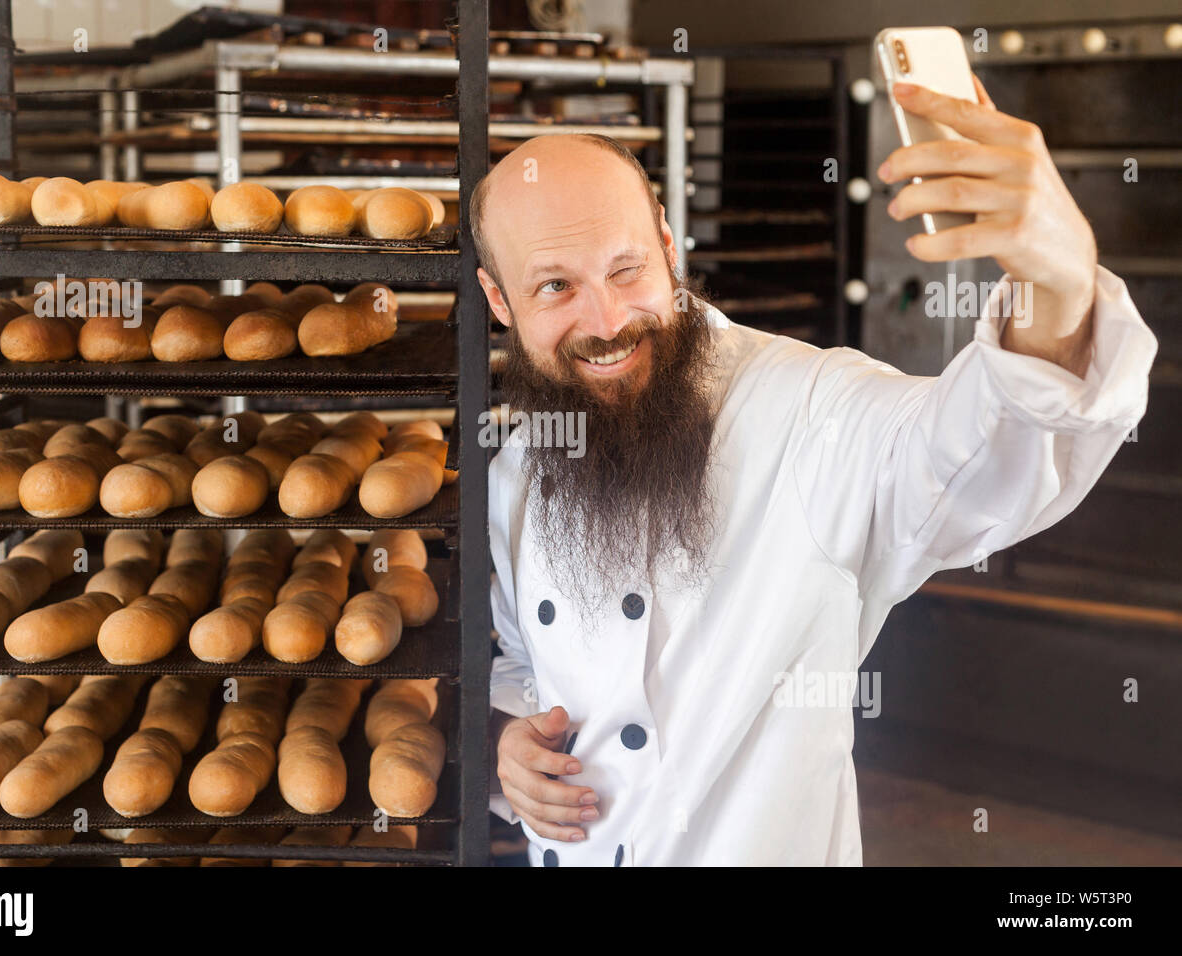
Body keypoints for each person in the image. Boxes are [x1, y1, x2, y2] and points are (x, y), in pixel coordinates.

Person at [474, 75, 1158, 866]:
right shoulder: (521, 466)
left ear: (667, 243)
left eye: (626, 269)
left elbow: (979, 454)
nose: (607, 321)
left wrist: (1057, 288)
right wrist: (507, 743)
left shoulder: (808, 411)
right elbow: (527, 666)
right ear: (499, 300)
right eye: (554, 286)